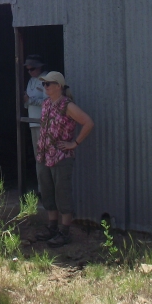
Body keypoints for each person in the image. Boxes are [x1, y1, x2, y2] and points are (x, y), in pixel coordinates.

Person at [34, 71, 94, 247]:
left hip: (61, 157)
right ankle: (52, 227)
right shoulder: (46, 104)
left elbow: (88, 122)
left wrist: (74, 143)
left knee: (62, 193)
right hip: (44, 156)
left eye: (49, 84)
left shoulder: (67, 105)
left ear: (58, 86)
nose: (45, 87)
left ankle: (65, 231)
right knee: (48, 192)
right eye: (44, 84)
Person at [23, 55, 47, 160]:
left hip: (43, 121)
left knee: (45, 153)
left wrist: (30, 100)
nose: (29, 72)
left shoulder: (46, 78)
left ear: (39, 67)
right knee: (38, 155)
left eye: (32, 69)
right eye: (27, 69)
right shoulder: (31, 81)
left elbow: (49, 102)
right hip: (32, 121)